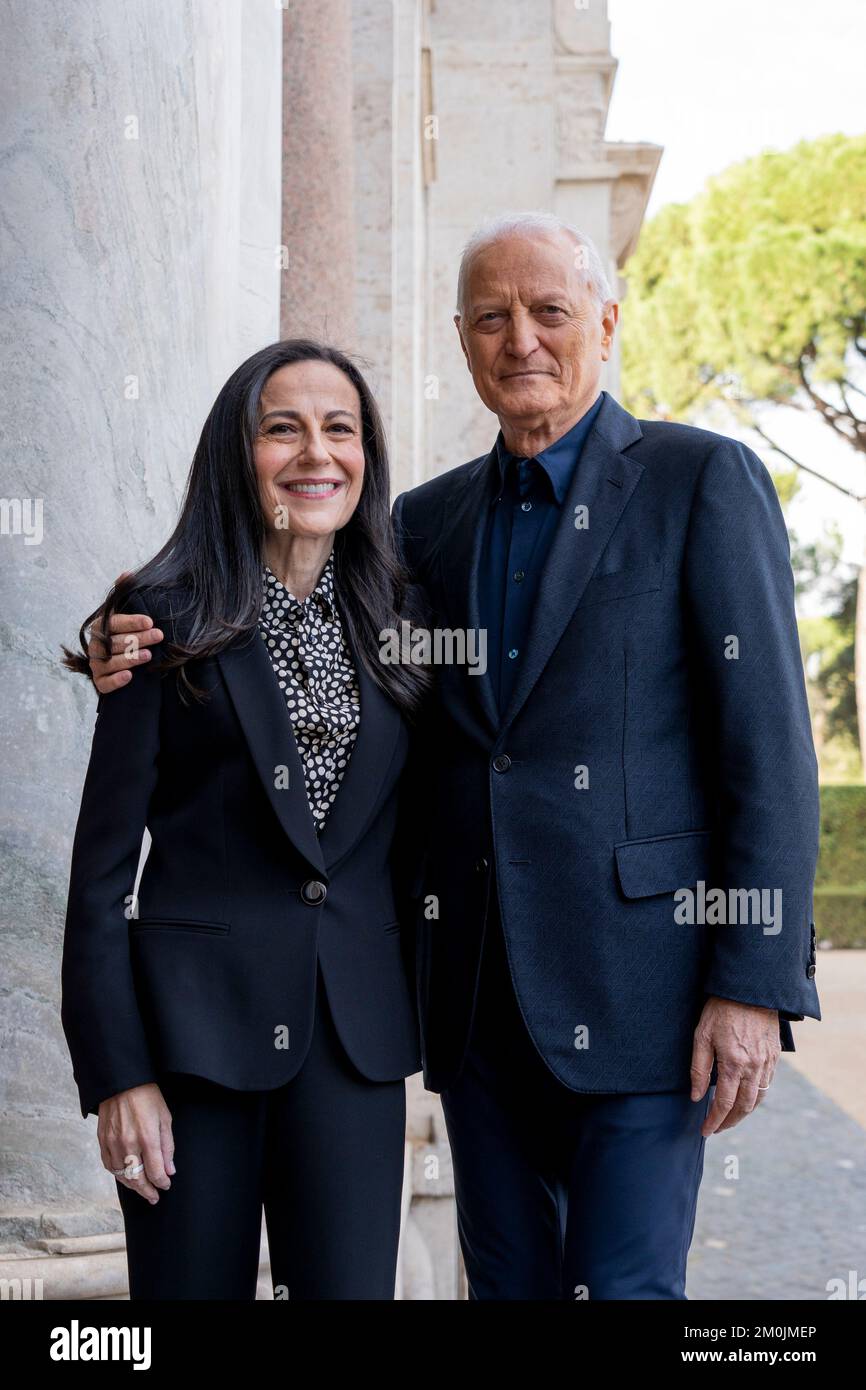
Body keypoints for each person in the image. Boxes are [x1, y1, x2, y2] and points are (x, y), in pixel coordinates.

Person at [91, 213, 822, 1302]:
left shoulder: (697, 482)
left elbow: (767, 751)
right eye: (490, 317)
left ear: (607, 324)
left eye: (547, 311)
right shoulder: (415, 530)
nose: (518, 338)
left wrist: (753, 983)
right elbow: (310, 670)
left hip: (643, 1000)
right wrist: (127, 637)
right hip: (472, 1009)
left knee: (623, 1289)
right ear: (461, 338)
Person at [61, 339, 429, 1301]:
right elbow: (101, 875)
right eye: (284, 428)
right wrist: (117, 1074)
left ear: (366, 456)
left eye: (339, 429)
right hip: (189, 1049)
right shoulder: (158, 618)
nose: (317, 453)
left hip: (354, 1043)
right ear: (239, 451)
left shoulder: (405, 618)